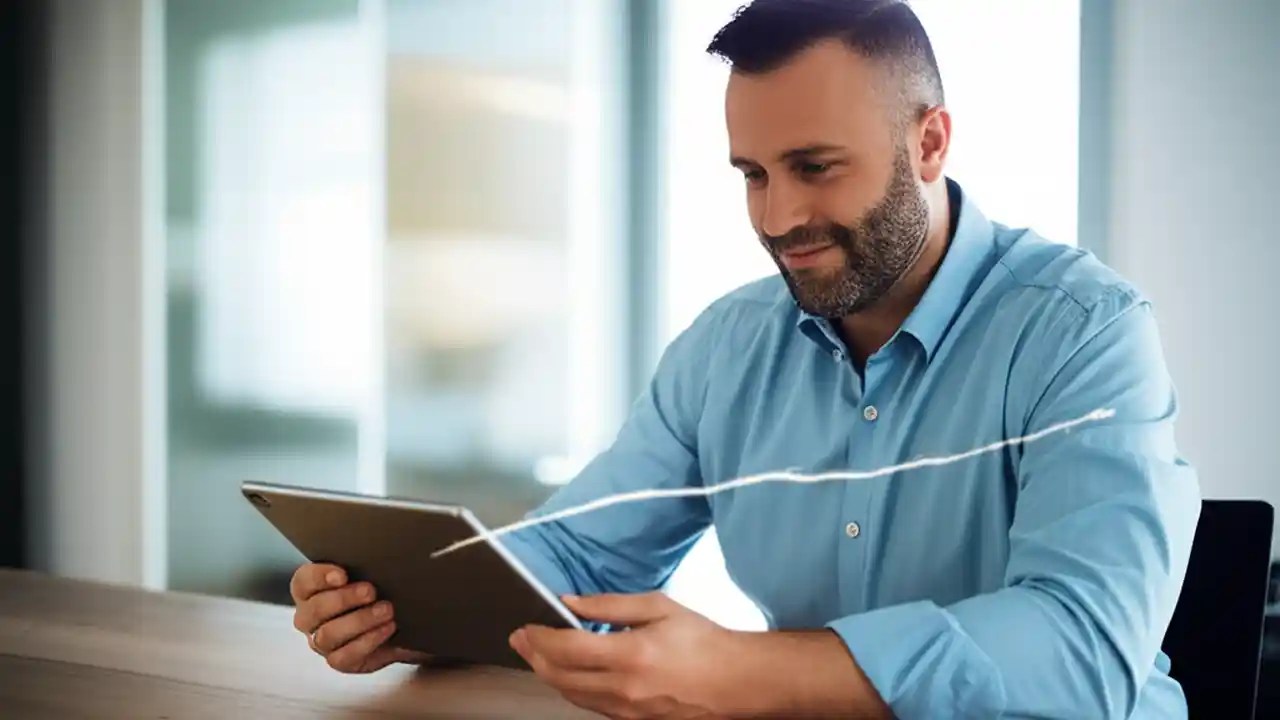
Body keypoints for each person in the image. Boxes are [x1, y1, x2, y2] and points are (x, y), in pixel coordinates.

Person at [289, 1, 1201, 717]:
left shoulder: (1085, 331)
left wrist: (748, 673)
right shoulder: (730, 345)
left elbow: (1085, 645)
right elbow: (581, 548)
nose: (775, 220)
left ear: (929, 142)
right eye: (753, 174)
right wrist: (424, 607)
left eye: (815, 166)